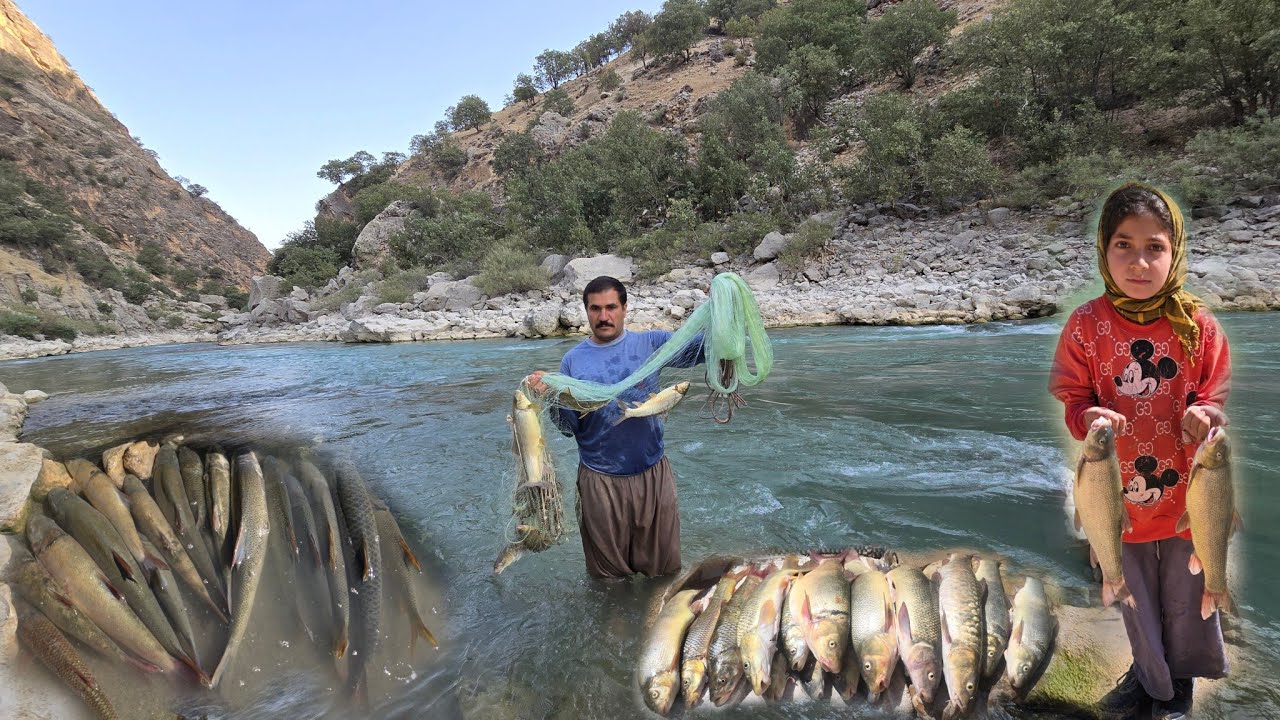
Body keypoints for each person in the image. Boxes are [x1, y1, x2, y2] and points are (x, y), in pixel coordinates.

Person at [1050, 182, 1232, 720]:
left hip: (1189, 495)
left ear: (1175, 252)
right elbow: (1073, 395)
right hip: (1114, 492)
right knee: (1133, 596)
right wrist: (1086, 415)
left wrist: (1206, 412)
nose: (1138, 260)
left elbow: (1211, 392)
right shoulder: (1085, 324)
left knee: (1189, 595)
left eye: (1154, 246)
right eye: (1123, 245)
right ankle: (1149, 681)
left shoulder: (1197, 325)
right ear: (1103, 251)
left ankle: (1179, 687)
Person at [526, 275, 704, 579]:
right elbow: (569, 428)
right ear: (586, 311)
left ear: (624, 308)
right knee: (608, 578)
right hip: (599, 479)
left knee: (664, 572)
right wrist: (551, 397)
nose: (603, 316)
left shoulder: (652, 343)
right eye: (595, 309)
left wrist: (726, 311)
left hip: (652, 473)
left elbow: (704, 351)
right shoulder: (573, 361)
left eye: (611, 307)